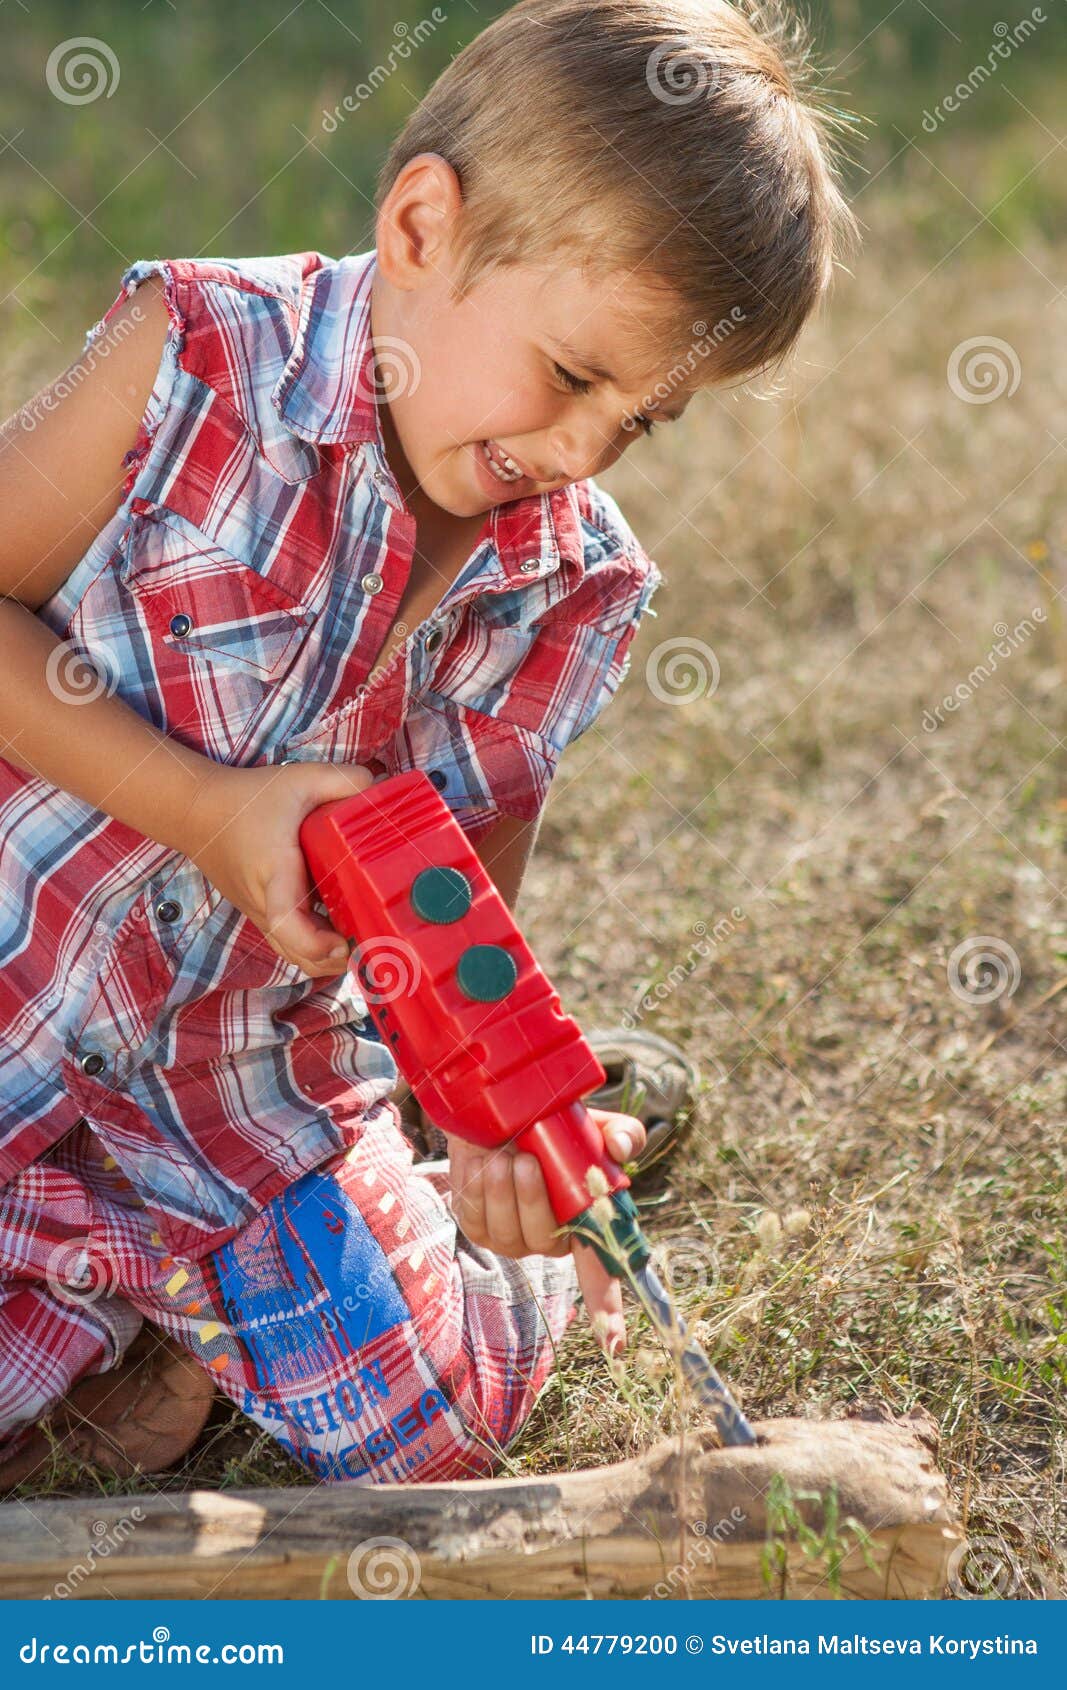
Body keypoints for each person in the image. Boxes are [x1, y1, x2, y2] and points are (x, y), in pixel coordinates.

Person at [0, 0, 855, 1489]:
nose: (585, 453)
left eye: (642, 423)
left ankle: (536, 1159)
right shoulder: (193, 352)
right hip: (18, 997)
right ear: (420, 227)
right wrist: (205, 810)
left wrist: (498, 1122)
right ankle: (127, 1327)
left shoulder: (566, 584)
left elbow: (458, 918)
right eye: (576, 379)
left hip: (239, 1100)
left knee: (435, 1434)